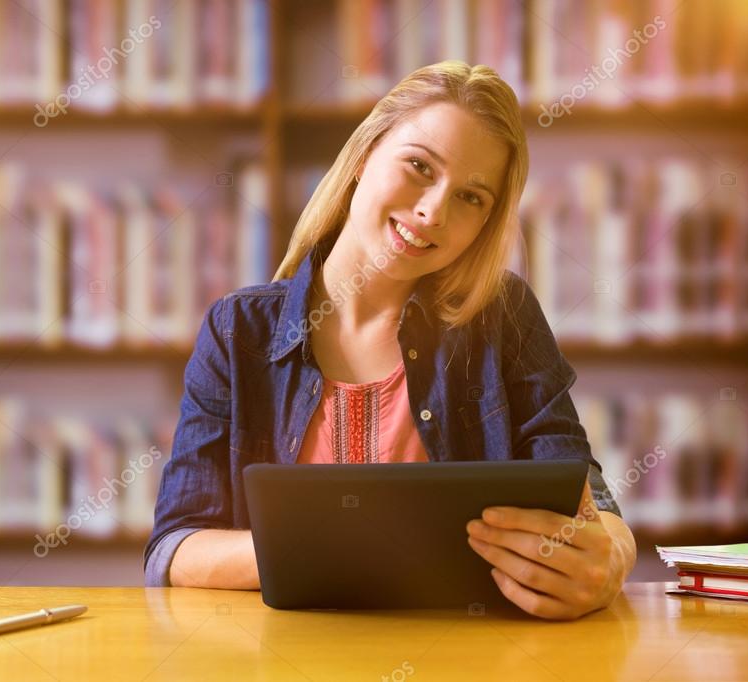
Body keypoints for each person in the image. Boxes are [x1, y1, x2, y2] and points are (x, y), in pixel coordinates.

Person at [144, 61, 636, 620]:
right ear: (362, 157)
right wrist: (347, 545)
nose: (432, 212)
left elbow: (580, 486)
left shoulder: (502, 314)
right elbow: (173, 550)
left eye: (471, 198)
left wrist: (615, 552)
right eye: (420, 166)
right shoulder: (238, 331)